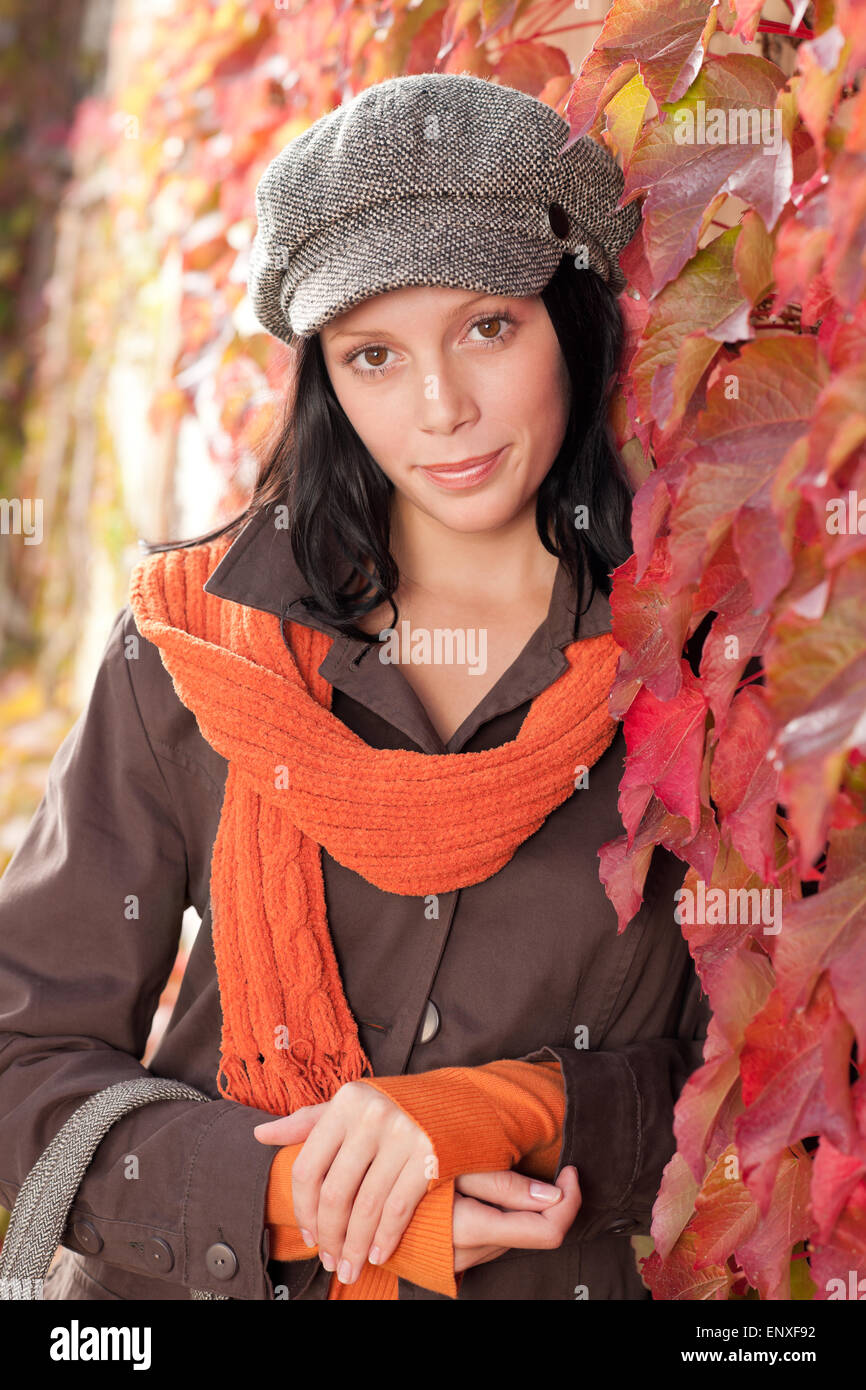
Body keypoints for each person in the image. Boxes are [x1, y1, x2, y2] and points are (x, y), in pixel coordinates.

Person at [0, 71, 710, 1301]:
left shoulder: (693, 672)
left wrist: (520, 1109)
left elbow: (751, 1082)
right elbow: (23, 1056)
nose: (439, 409)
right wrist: (288, 1195)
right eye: (373, 355)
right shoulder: (202, 648)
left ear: (574, 317)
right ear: (326, 373)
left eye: (488, 327)